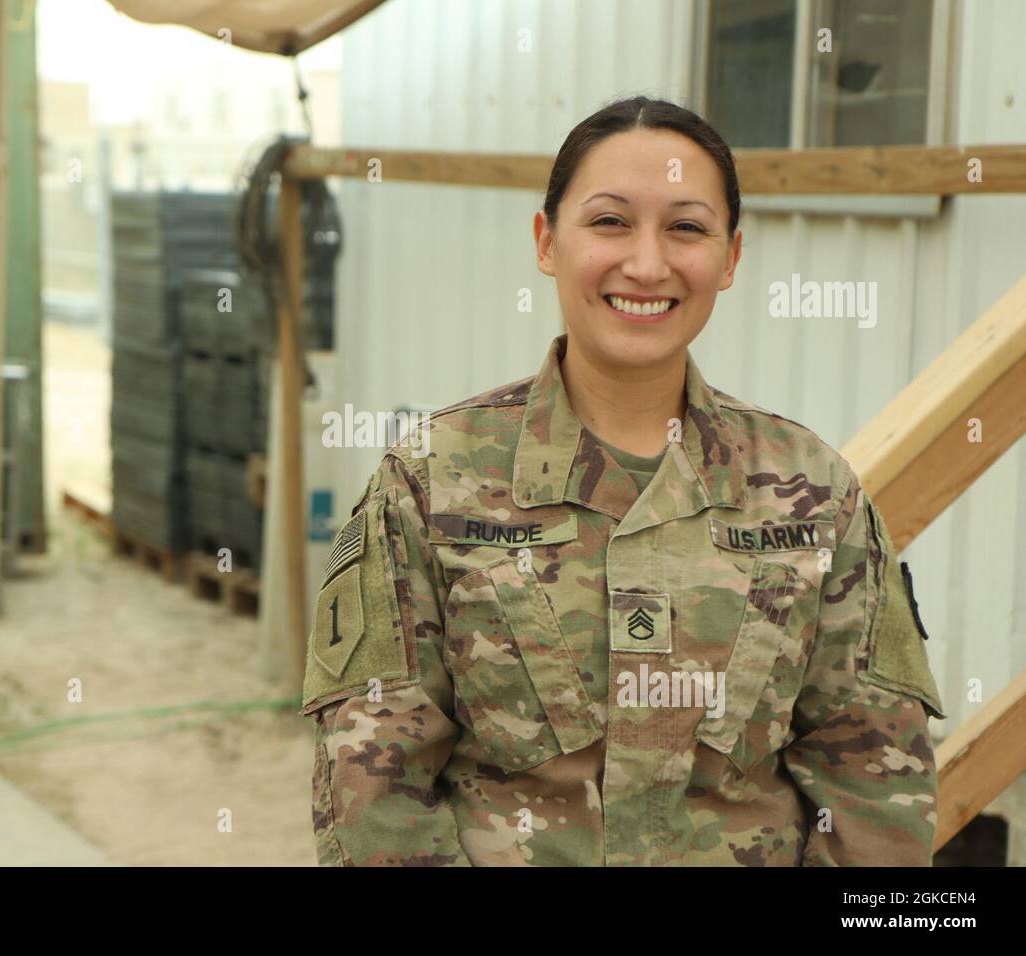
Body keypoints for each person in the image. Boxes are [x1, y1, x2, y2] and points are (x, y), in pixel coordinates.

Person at [300, 96, 944, 866]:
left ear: (731, 256)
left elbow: (873, 783)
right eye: (609, 222)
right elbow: (375, 792)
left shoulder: (811, 489)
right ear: (547, 241)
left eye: (686, 227)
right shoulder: (432, 481)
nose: (647, 263)